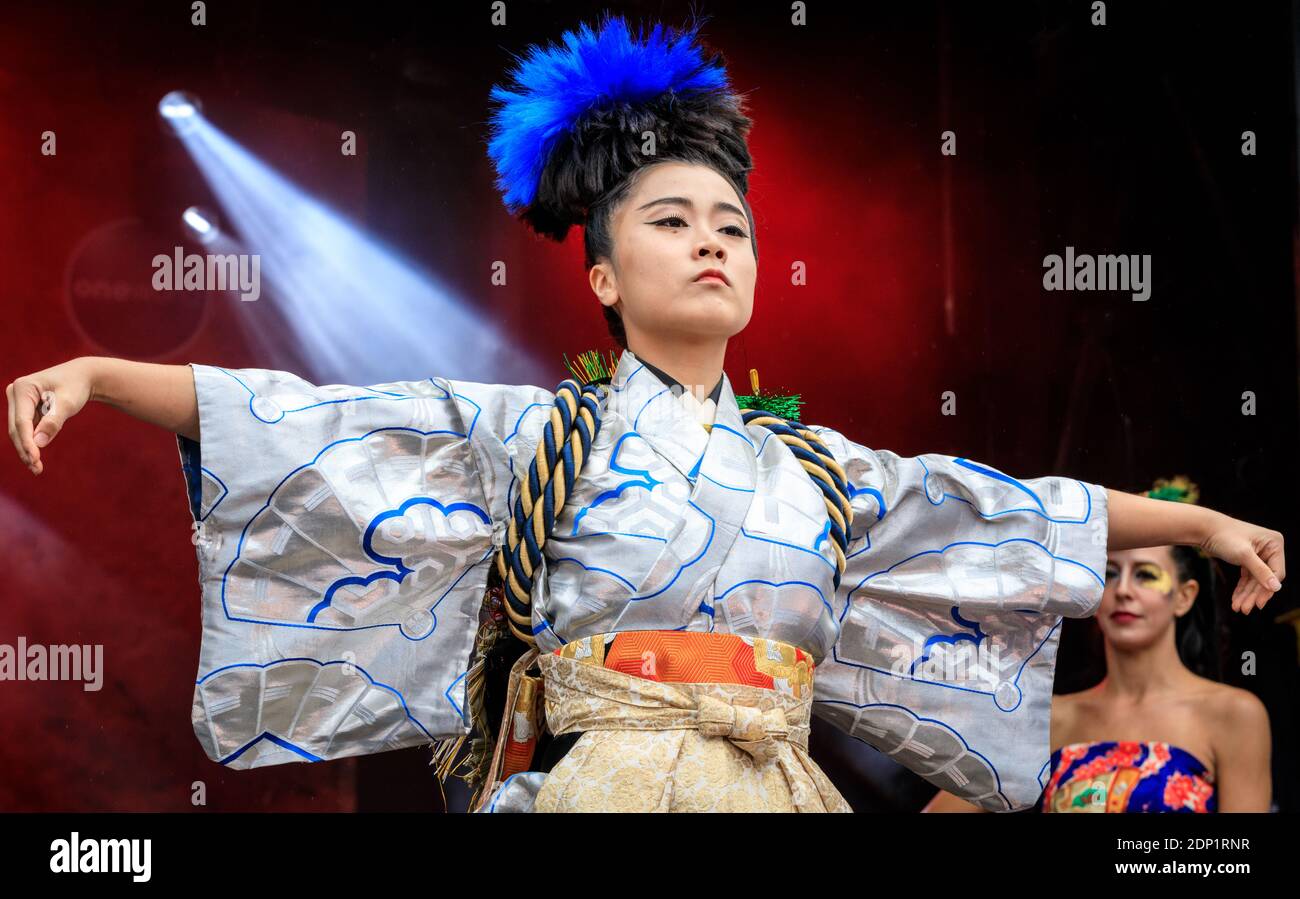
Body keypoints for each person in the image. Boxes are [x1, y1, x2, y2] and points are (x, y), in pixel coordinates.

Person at [5, 15, 1285, 813]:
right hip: (605, 786)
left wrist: (1214, 522)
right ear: (605, 276)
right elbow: (318, 423)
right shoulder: (534, 437)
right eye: (671, 221)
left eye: (731, 222)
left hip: (778, 785)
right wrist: (110, 375)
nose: (713, 241)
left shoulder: (821, 474)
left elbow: (1003, 512)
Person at [923, 477, 1273, 813]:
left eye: (1145, 575)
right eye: (1109, 574)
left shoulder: (1233, 714)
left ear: (1184, 597)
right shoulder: (1048, 719)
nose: (1123, 590)